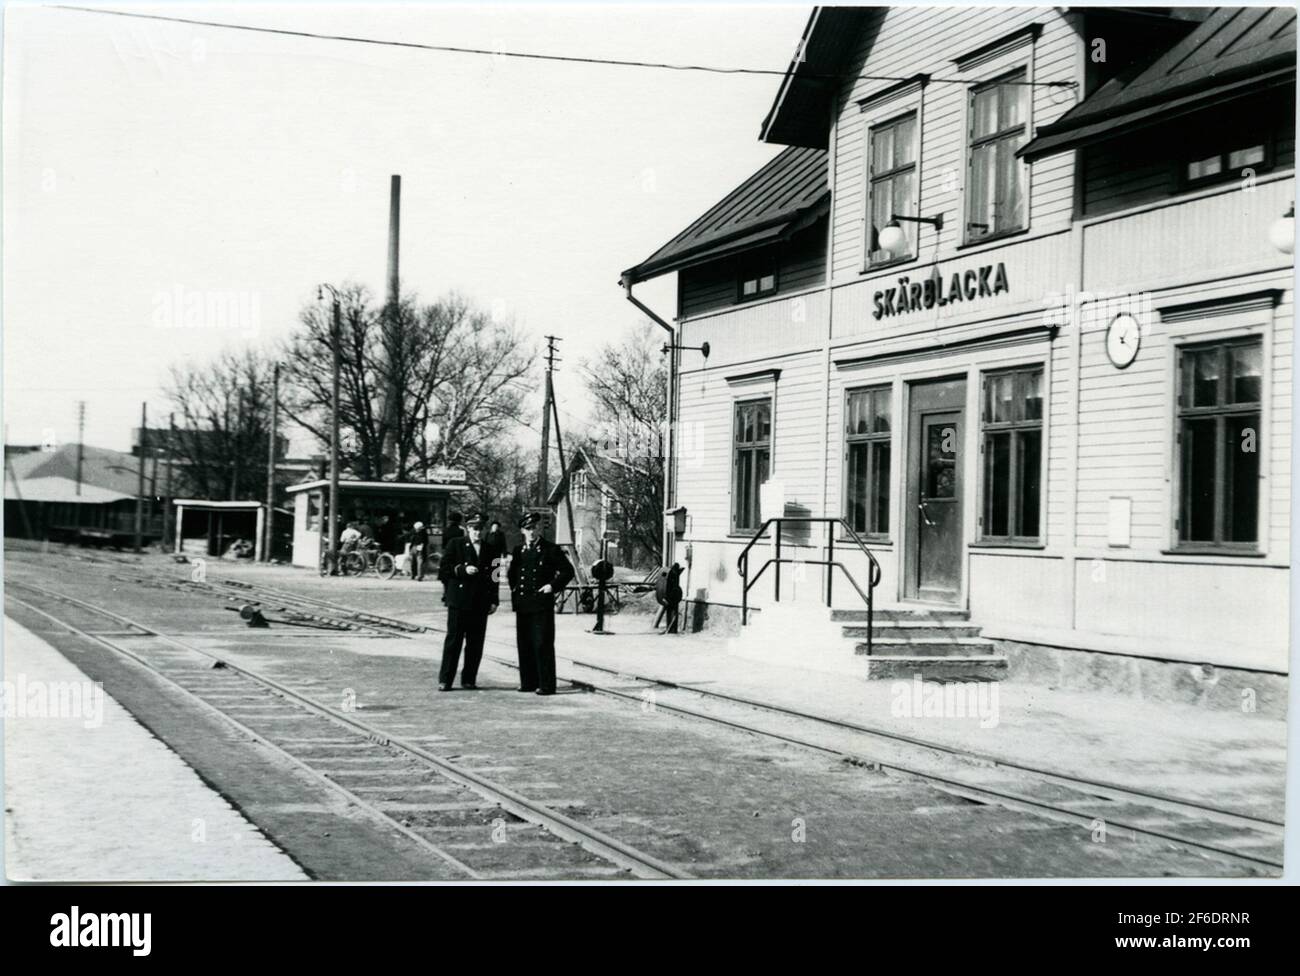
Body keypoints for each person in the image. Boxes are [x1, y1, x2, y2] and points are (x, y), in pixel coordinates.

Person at [507, 512, 574, 696]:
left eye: (534, 528)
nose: (531, 532)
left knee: (542, 644)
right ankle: (528, 682)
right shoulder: (518, 550)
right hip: (523, 603)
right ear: (522, 531)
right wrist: (515, 590)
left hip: (541, 603)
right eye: (527, 528)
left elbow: (567, 571)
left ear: (539, 529)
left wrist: (552, 586)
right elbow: (512, 574)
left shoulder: (550, 549)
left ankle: (546, 684)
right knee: (524, 643)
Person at [437, 513, 500, 691]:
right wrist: (462, 570)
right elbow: (444, 569)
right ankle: (445, 679)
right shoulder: (455, 544)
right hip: (459, 600)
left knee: (475, 643)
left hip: (480, 602)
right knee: (454, 641)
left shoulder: (491, 549)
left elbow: (495, 576)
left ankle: (469, 679)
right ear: (468, 528)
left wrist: (494, 600)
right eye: (474, 529)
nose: (477, 533)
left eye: (480, 529)